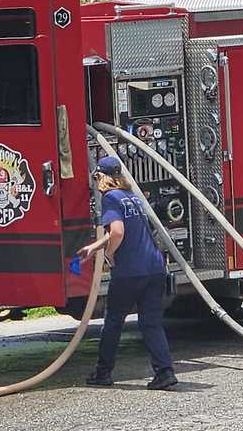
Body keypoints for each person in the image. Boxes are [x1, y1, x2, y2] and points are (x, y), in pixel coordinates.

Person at [78, 155, 178, 390]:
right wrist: (95, 247)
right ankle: (165, 372)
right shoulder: (132, 197)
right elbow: (126, 230)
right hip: (154, 269)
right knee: (151, 323)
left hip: (130, 272)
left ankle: (103, 373)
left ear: (101, 176)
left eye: (96, 177)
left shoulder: (110, 198)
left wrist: (110, 254)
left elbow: (118, 232)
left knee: (113, 321)